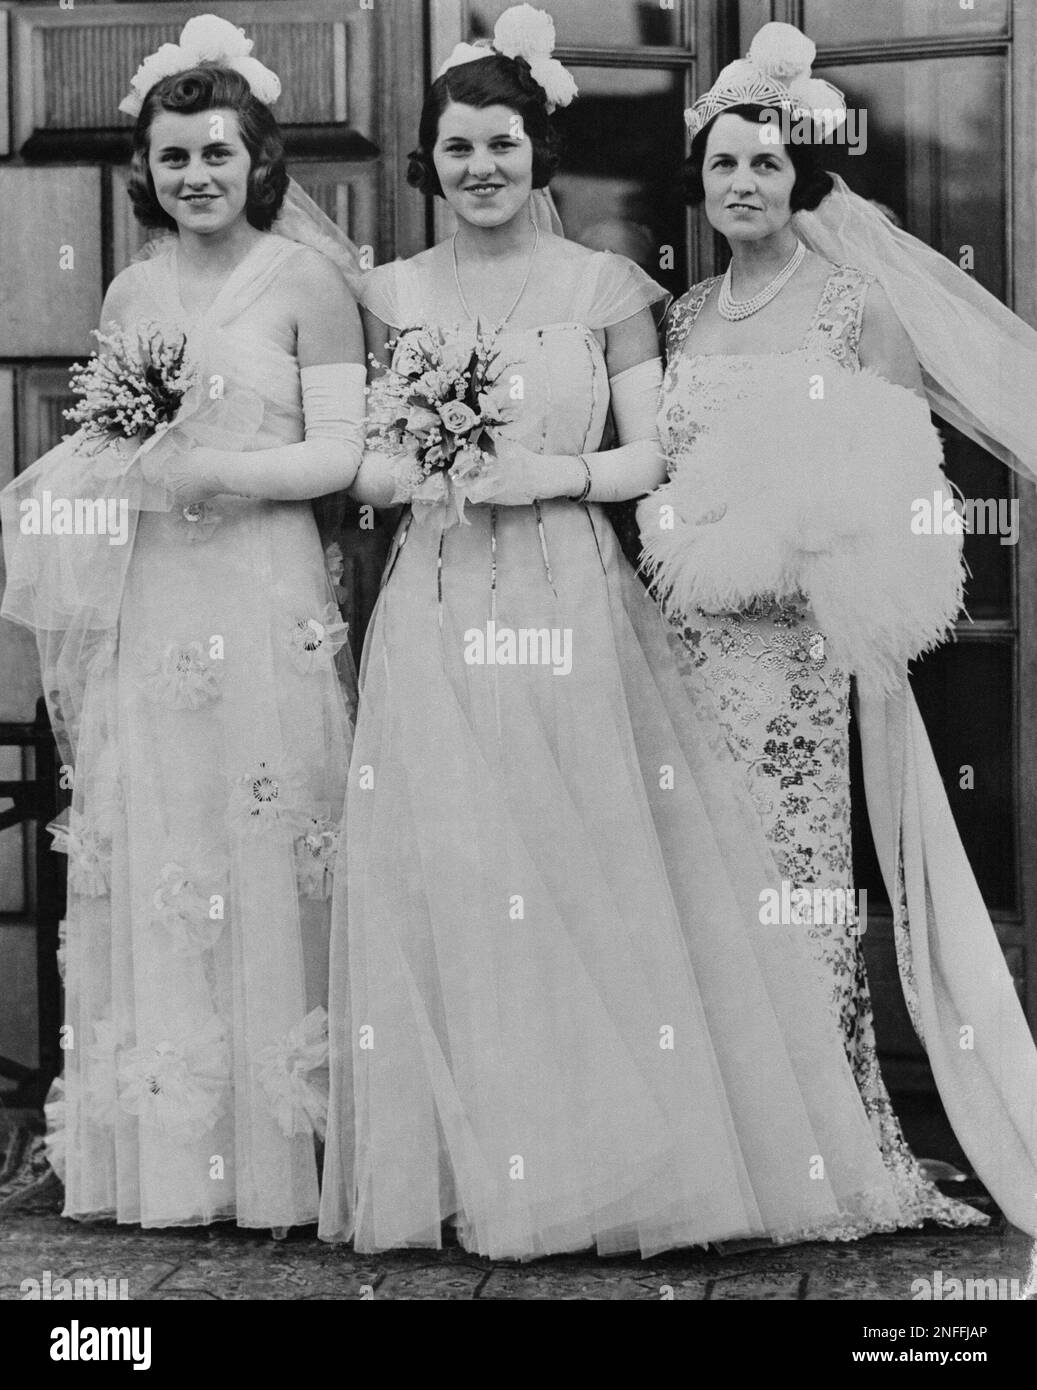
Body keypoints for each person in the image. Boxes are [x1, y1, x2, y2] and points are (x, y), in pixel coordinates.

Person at [318, 5, 908, 1261]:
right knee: (461, 863)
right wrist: (429, 457)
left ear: (537, 151)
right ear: (430, 160)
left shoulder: (606, 288)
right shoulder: (389, 293)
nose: (481, 167)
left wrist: (548, 474)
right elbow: (359, 462)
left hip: (569, 592)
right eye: (458, 146)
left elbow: (648, 456)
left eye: (502, 143)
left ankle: (600, 1164)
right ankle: (481, 1166)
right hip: (437, 597)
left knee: (583, 862)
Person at [641, 21, 1037, 1236]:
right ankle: (719, 1149)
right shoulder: (682, 319)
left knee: (794, 887)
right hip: (690, 644)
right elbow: (664, 470)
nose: (743, 184)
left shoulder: (856, 308)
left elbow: (904, 485)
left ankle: (816, 1143)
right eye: (723, 165)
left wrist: (809, 558)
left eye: (765, 164)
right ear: (700, 182)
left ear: (799, 177)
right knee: (698, 889)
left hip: (800, 656)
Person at [0, 15, 366, 1230]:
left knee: (266, 827)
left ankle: (285, 1160)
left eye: (217, 152)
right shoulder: (132, 289)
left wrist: (219, 470)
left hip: (263, 587)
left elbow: (341, 452)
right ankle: (173, 1159)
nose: (197, 174)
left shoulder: (308, 282)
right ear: (146, 170)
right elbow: (109, 443)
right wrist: (128, 467)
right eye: (174, 157)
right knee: (167, 844)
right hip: (156, 592)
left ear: (257, 160)